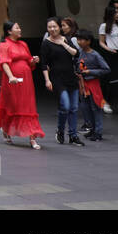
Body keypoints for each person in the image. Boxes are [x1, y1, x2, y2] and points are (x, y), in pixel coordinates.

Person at [0, 20, 44, 150]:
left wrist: (34, 60)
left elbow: (29, 62)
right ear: (9, 31)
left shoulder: (23, 44)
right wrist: (11, 76)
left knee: (28, 105)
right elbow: (4, 62)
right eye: (17, 28)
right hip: (12, 80)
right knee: (12, 104)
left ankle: (32, 137)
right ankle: (6, 129)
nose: (20, 29)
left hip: (26, 80)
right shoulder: (4, 44)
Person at [38, 17, 83, 146]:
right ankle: (60, 130)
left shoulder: (67, 40)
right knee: (66, 106)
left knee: (74, 108)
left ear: (60, 27)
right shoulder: (46, 43)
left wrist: (63, 43)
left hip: (70, 77)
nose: (52, 29)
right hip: (57, 79)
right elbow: (44, 63)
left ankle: (73, 135)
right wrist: (47, 80)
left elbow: (75, 53)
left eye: (55, 26)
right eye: (49, 27)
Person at [75, 32, 110, 141]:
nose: (80, 42)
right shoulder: (80, 53)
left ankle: (98, 132)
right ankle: (92, 129)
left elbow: (106, 69)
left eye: (82, 40)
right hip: (83, 84)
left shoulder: (95, 55)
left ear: (89, 41)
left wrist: (91, 71)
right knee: (86, 108)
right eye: (78, 39)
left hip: (93, 83)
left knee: (96, 107)